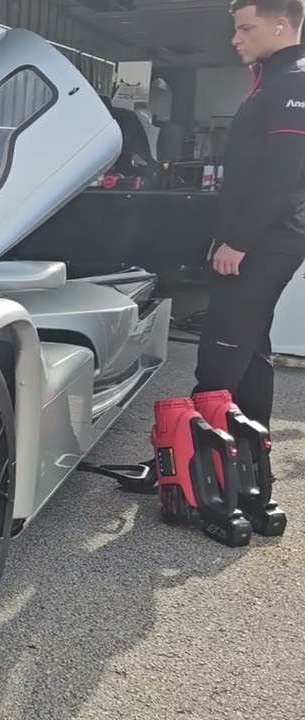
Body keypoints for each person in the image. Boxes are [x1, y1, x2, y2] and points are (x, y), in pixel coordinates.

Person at [193, 0, 305, 433]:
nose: (235, 39)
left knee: (219, 357)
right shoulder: (271, 79)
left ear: (281, 25)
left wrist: (239, 240)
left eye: (246, 28)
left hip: (265, 241)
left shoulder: (294, 80)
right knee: (251, 350)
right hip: (262, 236)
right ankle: (248, 458)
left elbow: (285, 175)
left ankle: (196, 458)